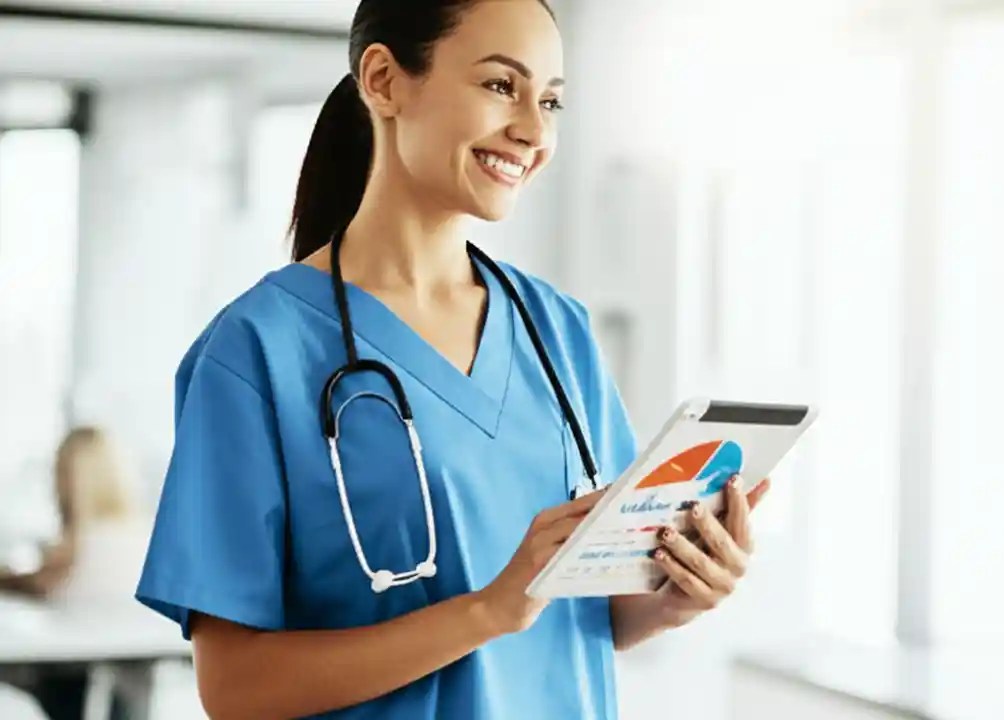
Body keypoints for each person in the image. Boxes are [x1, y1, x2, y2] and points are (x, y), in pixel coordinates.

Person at [134, 2, 772, 718]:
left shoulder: (555, 330)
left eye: (552, 100)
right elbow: (235, 688)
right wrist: (486, 610)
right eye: (502, 86)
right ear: (383, 80)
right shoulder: (257, 350)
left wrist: (674, 600)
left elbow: (585, 614)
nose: (533, 130)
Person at [0, 426, 139, 720]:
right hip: (132, 675)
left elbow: (38, 585)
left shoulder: (80, 545)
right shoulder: (142, 535)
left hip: (76, 670)